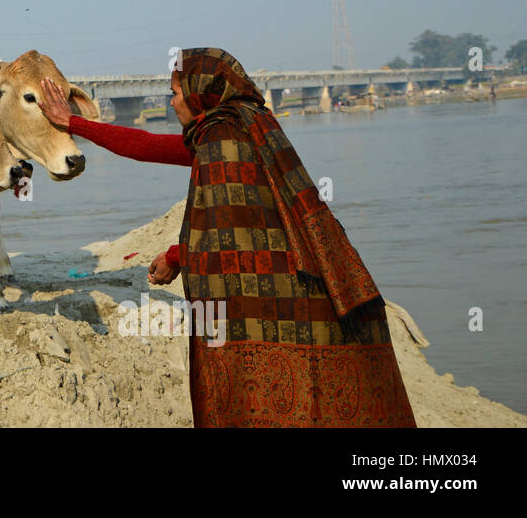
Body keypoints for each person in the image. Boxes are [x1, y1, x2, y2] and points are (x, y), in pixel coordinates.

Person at [39, 48, 415, 427]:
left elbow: (221, 233)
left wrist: (175, 257)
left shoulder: (223, 138)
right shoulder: (247, 122)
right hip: (304, 284)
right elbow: (152, 150)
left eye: (176, 92)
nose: (171, 103)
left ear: (201, 92)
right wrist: (75, 124)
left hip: (273, 299)